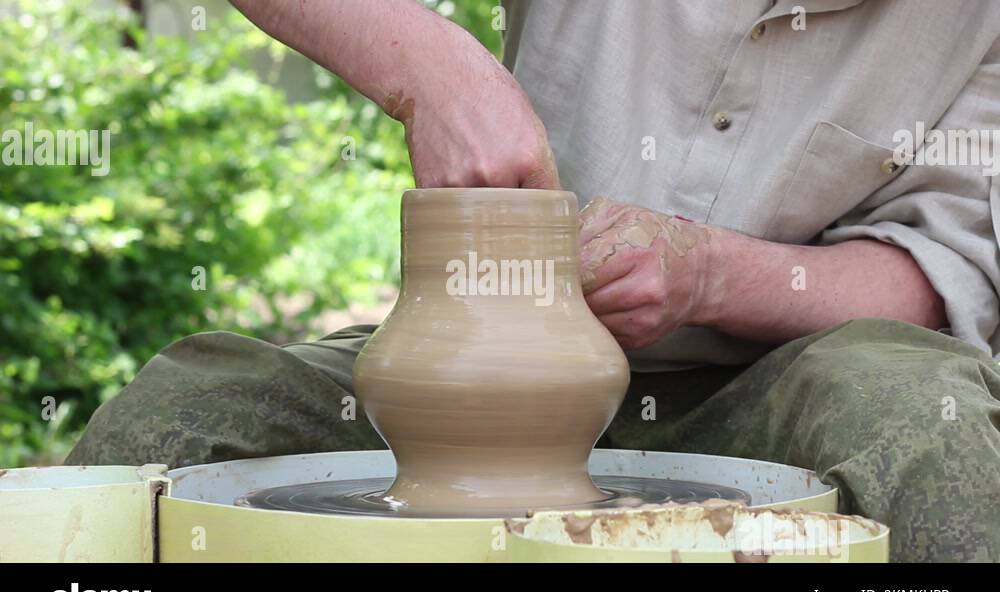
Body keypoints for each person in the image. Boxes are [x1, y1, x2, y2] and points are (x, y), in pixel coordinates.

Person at [67, 0, 1000, 562]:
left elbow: (932, 276)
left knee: (926, 430)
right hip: (472, 363)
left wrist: (709, 274)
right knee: (177, 420)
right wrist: (423, 67)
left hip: (781, 385)